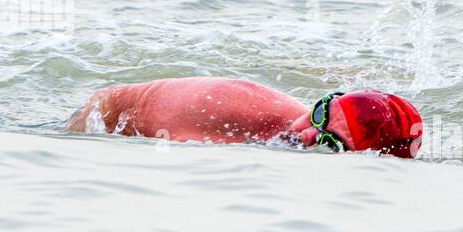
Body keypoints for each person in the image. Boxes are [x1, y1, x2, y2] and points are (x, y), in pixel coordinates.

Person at [64, 77, 422, 157]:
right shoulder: (227, 105)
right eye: (318, 114)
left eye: (332, 142)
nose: (309, 135)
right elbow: (106, 103)